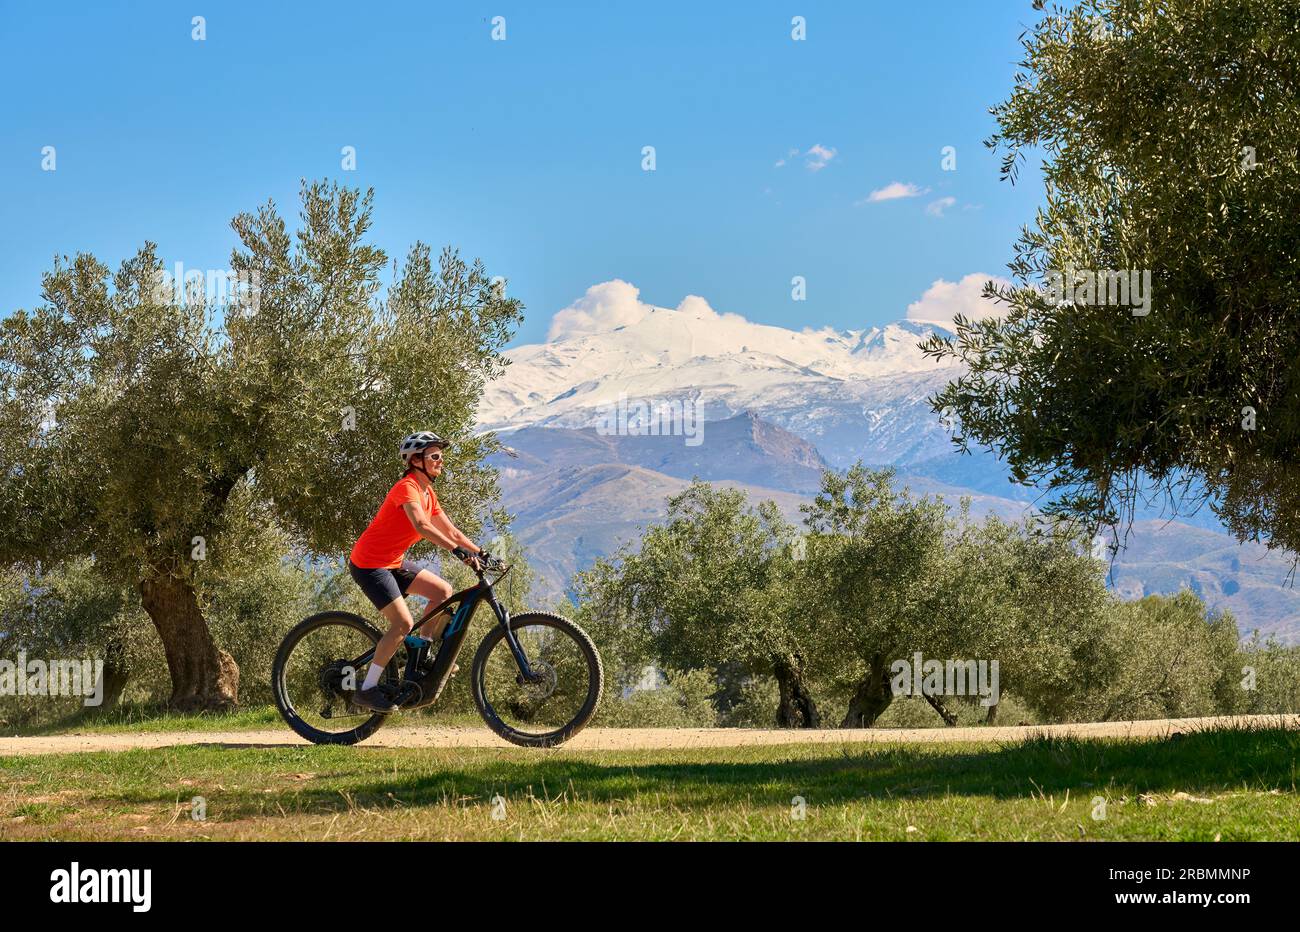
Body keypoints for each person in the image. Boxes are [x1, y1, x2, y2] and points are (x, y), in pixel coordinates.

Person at [347, 431, 482, 711]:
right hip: (369, 564)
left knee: (443, 592)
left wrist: (480, 552)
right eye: (434, 456)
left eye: (441, 456)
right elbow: (421, 525)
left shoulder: (427, 493)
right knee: (402, 624)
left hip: (392, 562)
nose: (440, 461)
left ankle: (422, 653)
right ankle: (368, 688)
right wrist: (456, 552)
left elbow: (452, 531)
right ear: (416, 460)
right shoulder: (406, 488)